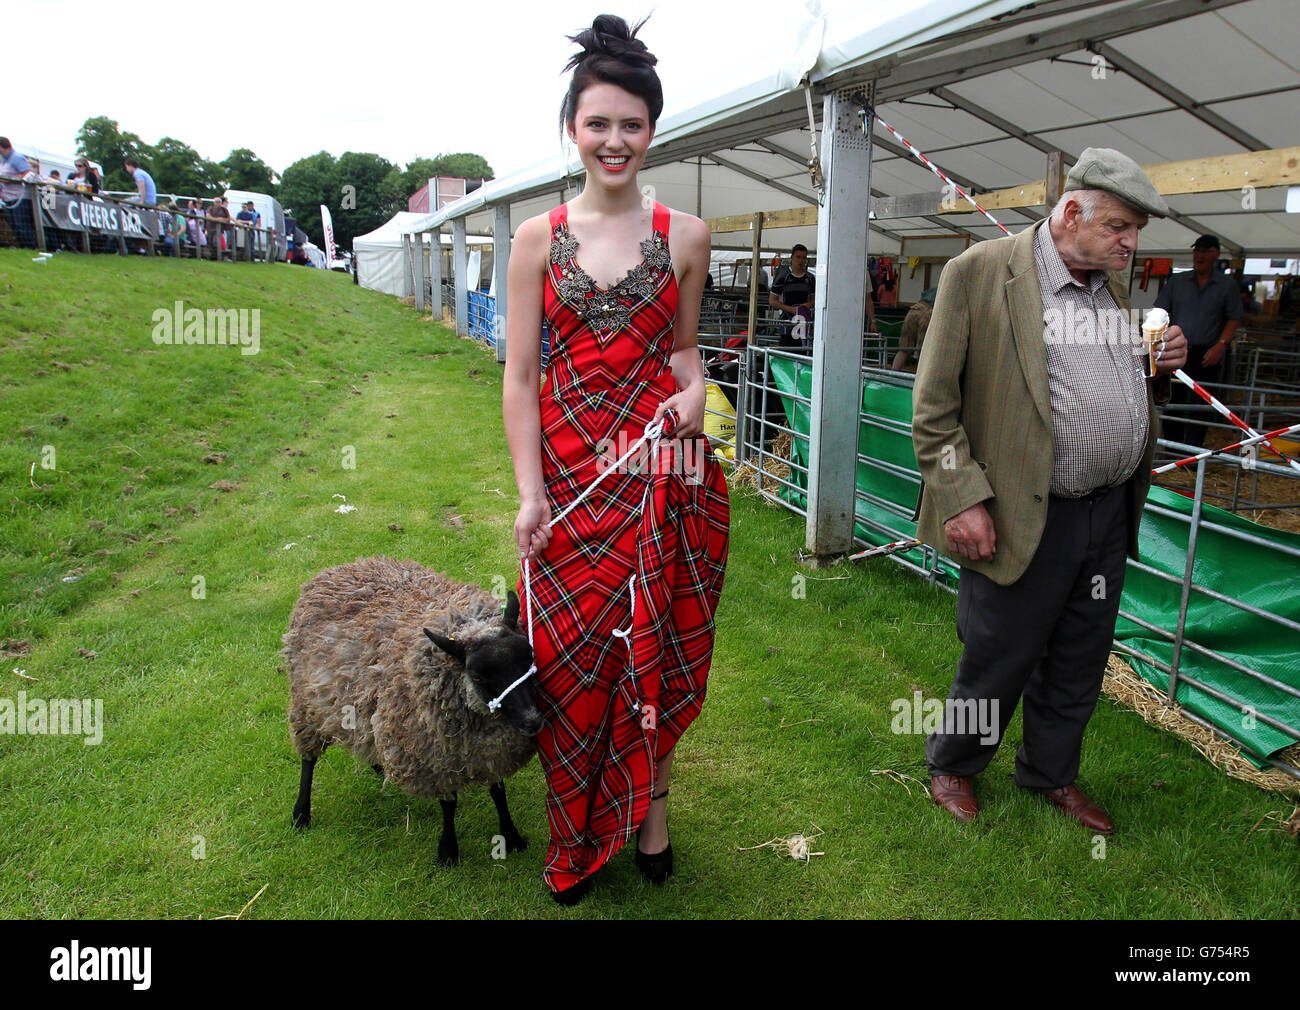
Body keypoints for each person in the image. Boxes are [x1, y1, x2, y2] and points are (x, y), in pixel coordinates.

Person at [502, 13, 729, 906]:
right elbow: (520, 377)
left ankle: (653, 811)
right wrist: (529, 494)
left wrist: (694, 395)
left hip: (659, 478)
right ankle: (574, 828)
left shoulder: (688, 235)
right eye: (598, 123)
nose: (615, 140)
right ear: (573, 128)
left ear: (652, 131)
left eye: (631, 124)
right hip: (564, 481)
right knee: (566, 660)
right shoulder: (534, 238)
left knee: (653, 644)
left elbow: (684, 357)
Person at [911, 148, 1188, 835]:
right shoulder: (980, 274)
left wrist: (1157, 374)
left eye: (1135, 232)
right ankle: (954, 765)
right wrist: (962, 497)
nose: (1131, 245)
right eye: (1120, 227)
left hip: (1105, 513)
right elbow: (933, 406)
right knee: (1000, 651)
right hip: (1017, 510)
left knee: (1080, 655)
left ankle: (1050, 773)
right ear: (1072, 212)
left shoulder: (1111, 288)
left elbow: (1110, 387)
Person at [1155, 234, 1242, 448]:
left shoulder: (1226, 285)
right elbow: (1160, 310)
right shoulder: (1177, 282)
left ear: (1216, 254)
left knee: (1201, 403)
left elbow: (1234, 317)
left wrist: (1221, 344)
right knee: (1172, 398)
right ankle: (1173, 448)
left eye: (1205, 251)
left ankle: (1193, 452)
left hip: (1206, 354)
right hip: (1176, 351)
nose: (1199, 256)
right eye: (1197, 251)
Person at [770, 244, 815, 347]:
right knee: (787, 351)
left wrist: (805, 306)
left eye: (803, 257)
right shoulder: (783, 277)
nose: (801, 261)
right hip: (787, 322)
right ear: (792, 257)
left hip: (804, 322)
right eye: (798, 257)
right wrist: (791, 309)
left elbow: (814, 299)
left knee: (804, 351)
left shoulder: (810, 278)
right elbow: (772, 300)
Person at [0, 136, 37, 248]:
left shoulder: (17, 158)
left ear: (2, 147)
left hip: (20, 197)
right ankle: (23, 246)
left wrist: (6, 179)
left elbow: (27, 174)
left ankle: (32, 246)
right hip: (8, 197)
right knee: (13, 224)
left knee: (22, 224)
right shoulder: (4, 160)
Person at [889, 287, 936, 371]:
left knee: (904, 348)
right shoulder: (944, 289)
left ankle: (893, 372)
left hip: (914, 310)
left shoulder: (933, 289)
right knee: (922, 351)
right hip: (928, 312)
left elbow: (923, 294)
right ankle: (920, 377)